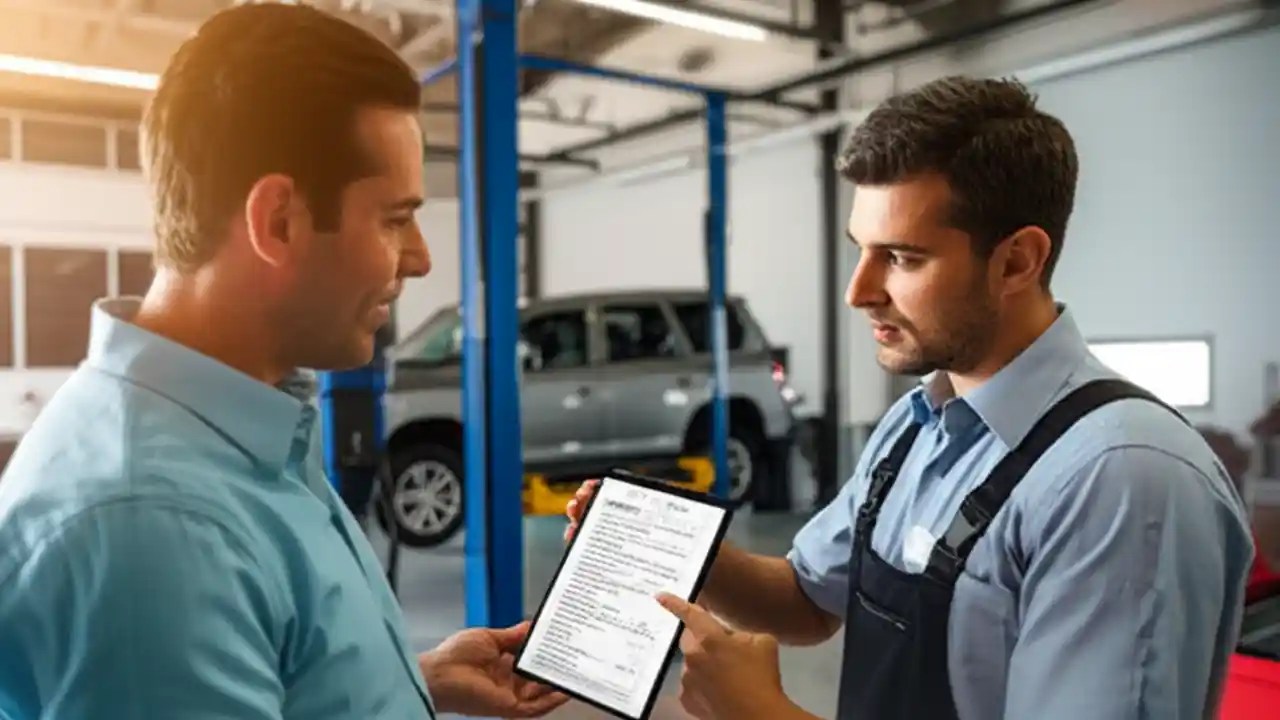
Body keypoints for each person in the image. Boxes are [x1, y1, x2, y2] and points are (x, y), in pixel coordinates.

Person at [567, 75, 1255, 719]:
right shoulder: (917, 424)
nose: (858, 291)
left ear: (1017, 261)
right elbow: (808, 599)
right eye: (860, 250)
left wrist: (763, 713)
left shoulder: (1123, 481)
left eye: (901, 257)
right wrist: (679, 543)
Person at [0, 5, 565, 719]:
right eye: (394, 219)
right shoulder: (159, 531)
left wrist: (411, 681)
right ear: (277, 222)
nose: (419, 258)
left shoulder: (230, 430)